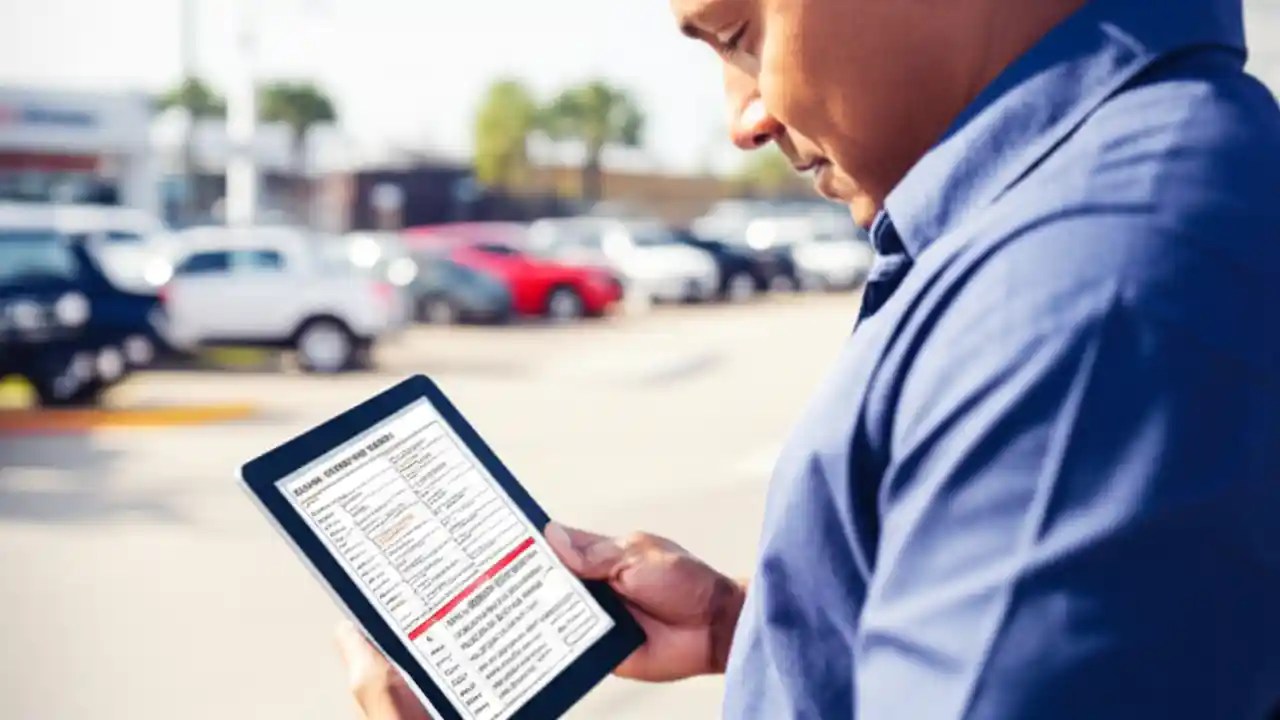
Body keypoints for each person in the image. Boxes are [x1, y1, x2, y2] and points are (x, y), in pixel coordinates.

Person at [336, 0, 1280, 716]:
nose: (742, 119)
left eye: (742, 34)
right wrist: (756, 629)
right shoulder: (1114, 206)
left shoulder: (1086, 291)